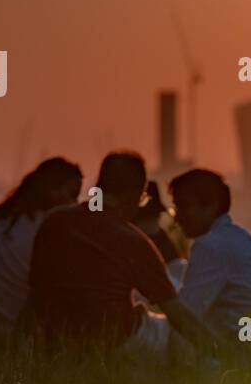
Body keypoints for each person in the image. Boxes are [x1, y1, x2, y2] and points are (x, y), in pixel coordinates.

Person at [27, 151, 218, 362]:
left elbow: (36, 292)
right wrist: (221, 351)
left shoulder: (54, 222)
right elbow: (176, 314)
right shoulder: (132, 240)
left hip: (57, 341)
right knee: (173, 333)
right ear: (134, 195)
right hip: (115, 342)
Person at [168, 169, 251, 341]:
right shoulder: (237, 238)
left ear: (212, 206)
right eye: (175, 208)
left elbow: (185, 314)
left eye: (184, 207)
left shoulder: (211, 245)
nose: (177, 218)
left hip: (250, 351)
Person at [0, 157, 82, 332]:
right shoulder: (49, 228)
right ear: (52, 191)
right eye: (72, 194)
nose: (74, 203)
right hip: (20, 333)